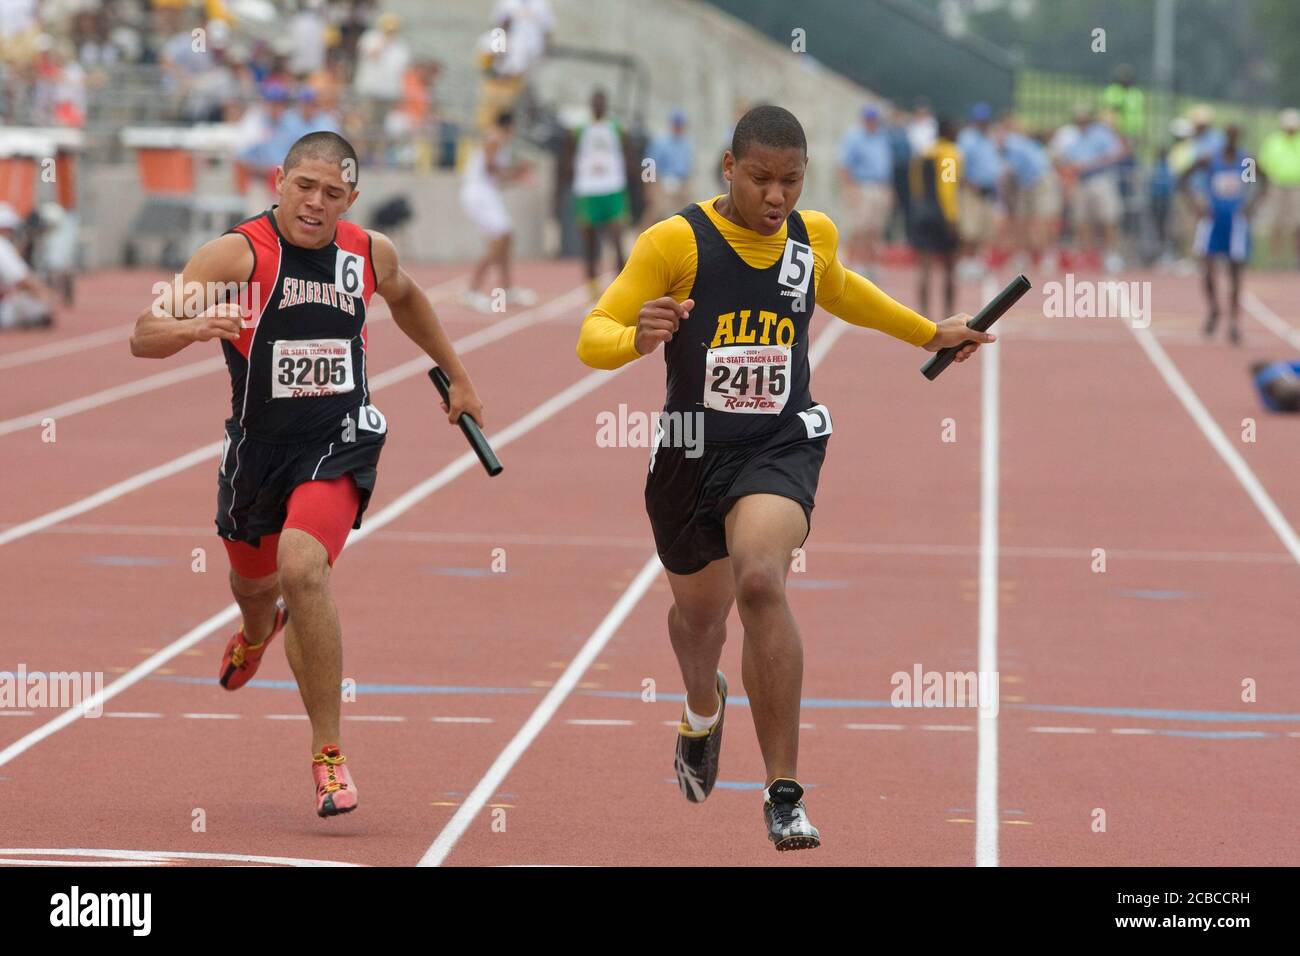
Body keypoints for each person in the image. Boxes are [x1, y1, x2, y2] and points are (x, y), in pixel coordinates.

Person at [575, 105, 992, 851]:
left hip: (781, 441)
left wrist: (932, 332)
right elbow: (591, 334)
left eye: (791, 182)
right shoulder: (677, 243)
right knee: (699, 621)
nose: (777, 197)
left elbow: (845, 292)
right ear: (729, 168)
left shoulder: (812, 238)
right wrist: (634, 337)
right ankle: (703, 707)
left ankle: (783, 791)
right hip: (689, 451)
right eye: (762, 179)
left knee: (762, 579)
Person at [128, 132, 486, 817]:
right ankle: (257, 632)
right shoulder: (236, 253)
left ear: (350, 198)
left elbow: (406, 298)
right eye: (304, 187)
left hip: (339, 438)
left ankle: (328, 754)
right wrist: (193, 326)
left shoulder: (367, 252)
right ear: (279, 183)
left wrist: (460, 376)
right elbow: (143, 333)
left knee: (301, 568)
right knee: (254, 585)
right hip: (259, 452)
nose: (316, 203)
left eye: (332, 192)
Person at [1181, 124, 1267, 345]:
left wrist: (1251, 207)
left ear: (1239, 136)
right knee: (1208, 268)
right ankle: (1214, 309)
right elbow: (1184, 178)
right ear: (1223, 137)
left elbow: (1259, 183)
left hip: (1236, 221)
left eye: (1235, 134)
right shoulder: (1211, 160)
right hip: (1213, 219)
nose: (1231, 138)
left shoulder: (1245, 161)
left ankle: (1234, 322)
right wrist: (1195, 205)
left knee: (1235, 271)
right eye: (1228, 134)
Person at [460, 111, 536, 311]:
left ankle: (506, 289)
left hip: (486, 194)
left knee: (507, 238)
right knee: (499, 240)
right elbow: (490, 169)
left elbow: (496, 178)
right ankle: (473, 290)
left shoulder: (499, 141)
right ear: (509, 125)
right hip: (478, 194)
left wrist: (516, 175)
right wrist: (518, 171)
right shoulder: (495, 138)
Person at [566, 88, 632, 300]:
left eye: (601, 103)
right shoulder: (579, 128)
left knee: (617, 239)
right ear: (590, 105)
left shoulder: (617, 127)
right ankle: (593, 294)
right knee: (590, 244)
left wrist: (636, 180)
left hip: (613, 189)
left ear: (606, 105)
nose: (598, 106)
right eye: (595, 103)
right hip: (588, 190)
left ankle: (622, 291)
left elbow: (629, 153)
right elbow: (569, 156)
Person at [908, 118, 962, 317]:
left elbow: (915, 184)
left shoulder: (923, 153)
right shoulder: (949, 153)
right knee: (949, 268)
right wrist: (952, 218)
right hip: (941, 214)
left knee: (924, 267)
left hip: (922, 211)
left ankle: (924, 314)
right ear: (948, 132)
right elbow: (947, 187)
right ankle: (949, 314)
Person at [837, 104, 894, 273]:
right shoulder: (854, 137)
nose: (872, 122)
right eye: (869, 119)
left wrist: (889, 189)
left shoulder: (881, 137)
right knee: (859, 227)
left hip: (880, 185)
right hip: (863, 185)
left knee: (875, 228)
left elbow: (886, 165)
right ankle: (855, 263)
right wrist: (850, 188)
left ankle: (871, 263)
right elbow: (844, 165)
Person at [955, 102, 1002, 278]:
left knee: (983, 228)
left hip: (987, 191)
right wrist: (963, 184)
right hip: (971, 190)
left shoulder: (989, 138)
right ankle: (965, 262)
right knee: (969, 229)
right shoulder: (966, 138)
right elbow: (953, 166)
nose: (983, 123)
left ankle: (976, 261)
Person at [0, 202, 55, 330]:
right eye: (10, 229)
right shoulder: (2, 245)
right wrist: (45, 295)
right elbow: (22, 279)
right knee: (35, 305)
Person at [1259, 108, 1300, 266]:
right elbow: (1263, 163)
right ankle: (1275, 258)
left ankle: (1297, 258)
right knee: (1276, 222)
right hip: (1276, 185)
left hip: (1297, 186)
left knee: (1297, 223)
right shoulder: (1273, 141)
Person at [643, 109, 694, 226]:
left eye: (680, 124)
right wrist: (650, 186)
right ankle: (640, 237)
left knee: (683, 215)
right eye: (676, 124)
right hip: (663, 182)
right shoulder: (660, 141)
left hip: (682, 183)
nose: (678, 127)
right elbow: (649, 163)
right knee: (655, 212)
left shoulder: (687, 143)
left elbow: (688, 166)